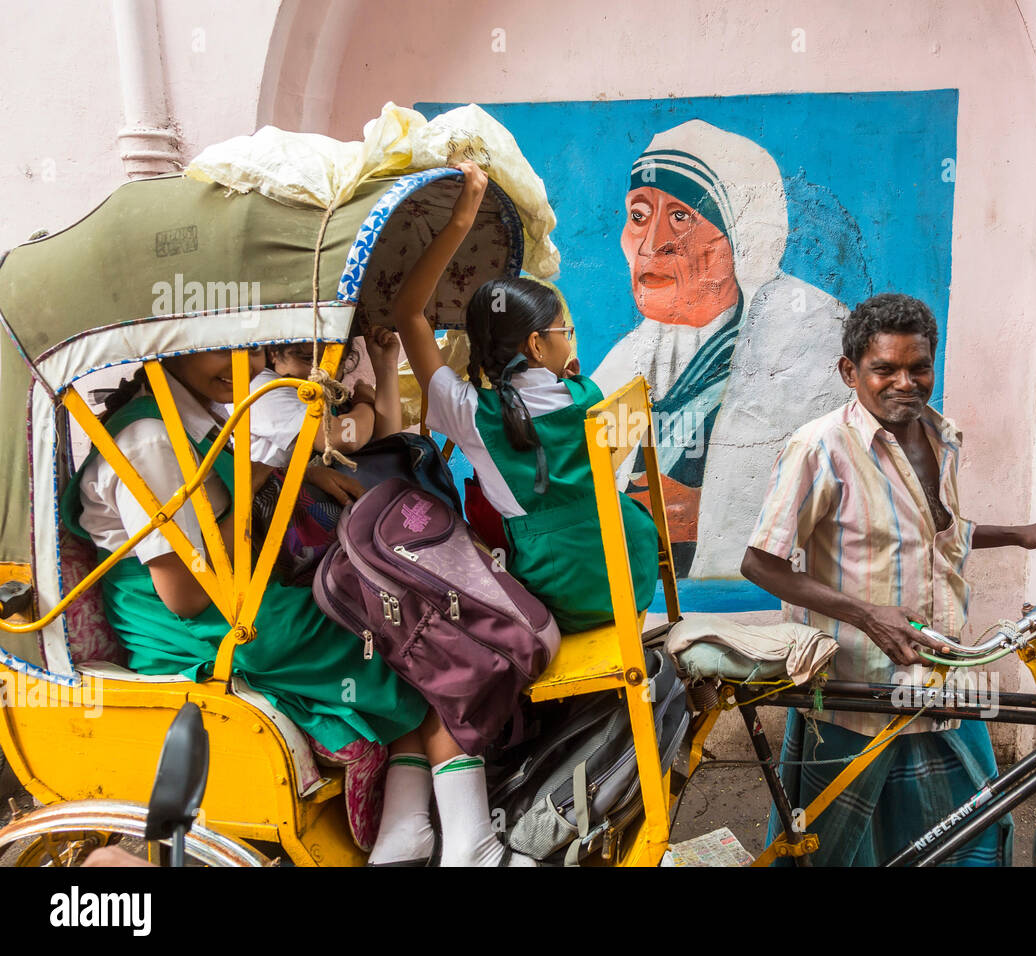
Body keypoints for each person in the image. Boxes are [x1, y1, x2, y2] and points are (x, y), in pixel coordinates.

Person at [60, 348, 460, 864]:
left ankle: (409, 826)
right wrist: (262, 474)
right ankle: (418, 833)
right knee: (408, 636)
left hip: (237, 594)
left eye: (252, 349)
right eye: (219, 350)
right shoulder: (150, 440)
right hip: (195, 625)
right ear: (170, 349)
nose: (243, 366)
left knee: (398, 609)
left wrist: (302, 473)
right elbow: (184, 594)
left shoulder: (199, 415)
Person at [740, 293, 1036, 866]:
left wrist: (1023, 533)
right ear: (850, 372)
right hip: (856, 689)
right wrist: (868, 615)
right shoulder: (818, 448)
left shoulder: (940, 437)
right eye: (885, 369)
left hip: (945, 671)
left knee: (971, 830)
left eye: (919, 367)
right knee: (837, 850)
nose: (905, 382)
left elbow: (936, 537)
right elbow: (761, 564)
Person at [397, 163, 660, 635]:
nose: (571, 342)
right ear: (537, 346)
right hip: (634, 568)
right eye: (566, 332)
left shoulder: (471, 413)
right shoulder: (589, 393)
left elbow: (408, 314)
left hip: (565, 595)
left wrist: (461, 220)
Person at [593, 119, 848, 578]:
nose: (653, 246)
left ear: (741, 238)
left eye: (680, 216)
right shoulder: (624, 362)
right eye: (638, 216)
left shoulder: (811, 337)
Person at [244, 329, 402, 467]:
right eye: (308, 359)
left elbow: (388, 443)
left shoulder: (329, 397)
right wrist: (364, 402)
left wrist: (386, 365)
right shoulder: (259, 386)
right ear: (274, 353)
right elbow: (345, 438)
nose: (322, 372)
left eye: (336, 363)